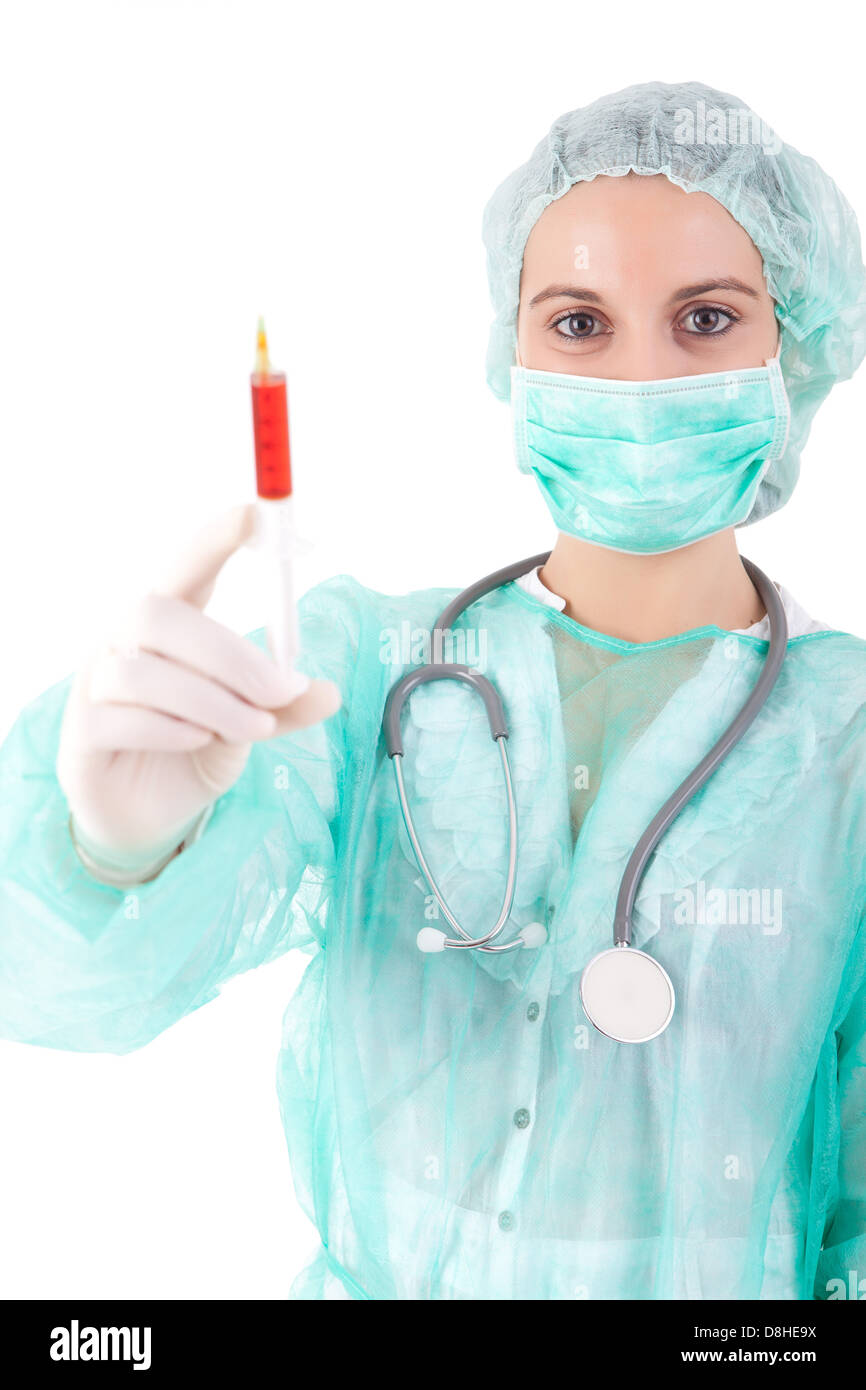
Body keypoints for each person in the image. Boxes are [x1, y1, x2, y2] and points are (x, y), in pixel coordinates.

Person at [2, 79, 866, 1301]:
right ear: (506, 356)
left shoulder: (846, 745)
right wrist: (110, 853)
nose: (633, 381)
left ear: (800, 348)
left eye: (706, 319)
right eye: (576, 324)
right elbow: (62, 994)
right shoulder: (359, 678)